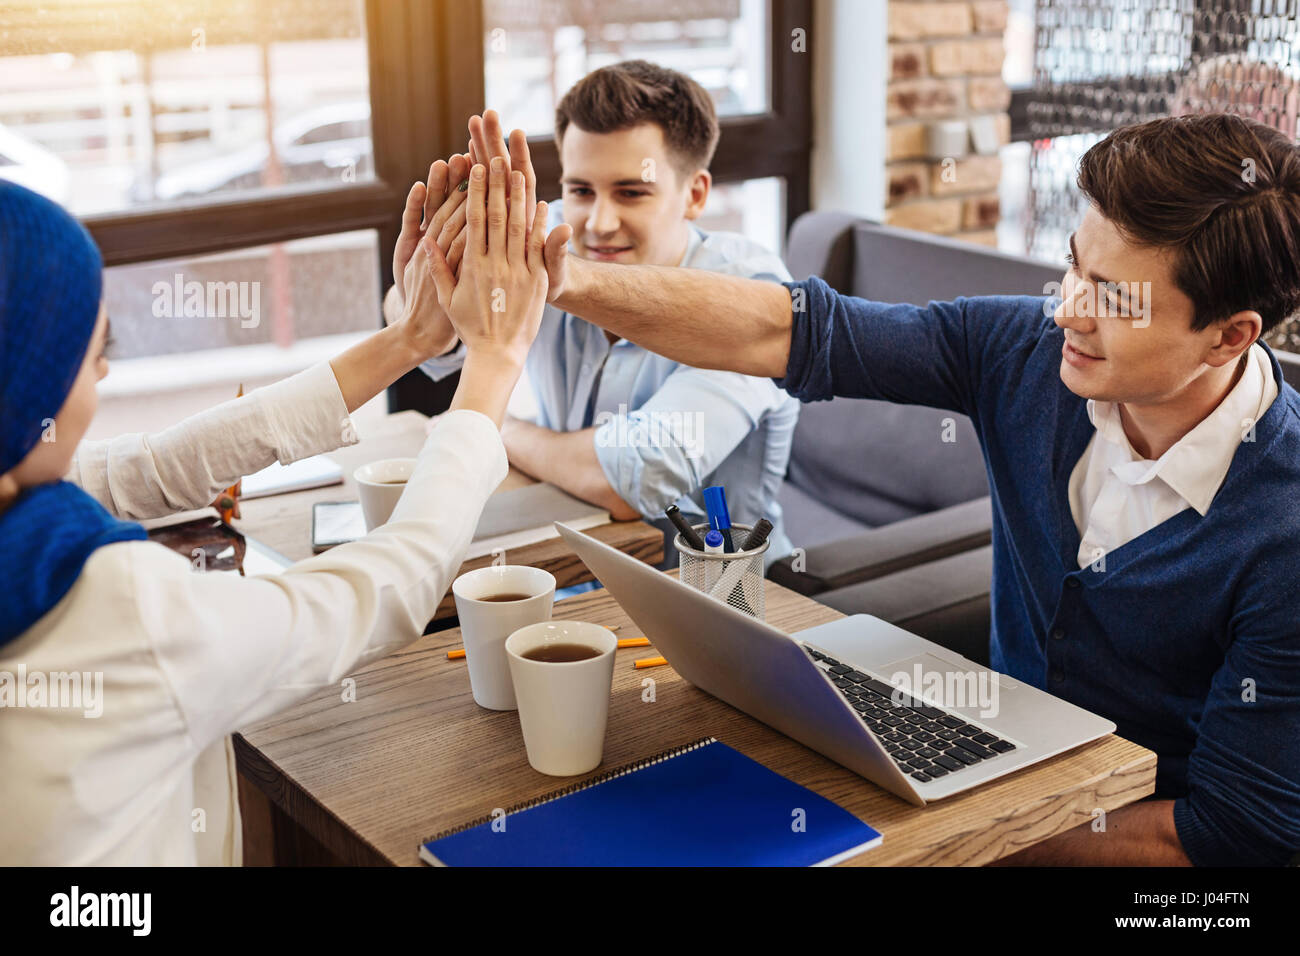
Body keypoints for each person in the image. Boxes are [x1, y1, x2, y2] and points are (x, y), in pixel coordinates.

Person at [431, 111, 1300, 866]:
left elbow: (1219, 839)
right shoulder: (1027, 354)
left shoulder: (1284, 529)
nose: (1067, 308)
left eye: (1113, 296)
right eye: (1073, 267)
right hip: (986, 777)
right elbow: (788, 328)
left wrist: (950, 828)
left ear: (1229, 337)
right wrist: (561, 282)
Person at [0, 158, 549, 864]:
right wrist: (495, 364)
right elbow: (380, 589)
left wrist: (407, 341)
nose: (104, 370)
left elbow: (161, 467)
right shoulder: (111, 608)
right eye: (93, 348)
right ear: (27, 379)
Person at [384, 63, 800, 566]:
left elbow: (631, 480)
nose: (598, 224)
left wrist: (494, 428)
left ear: (694, 194)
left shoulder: (750, 288)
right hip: (587, 557)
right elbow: (435, 349)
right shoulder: (555, 236)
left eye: (631, 192)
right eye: (581, 190)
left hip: (728, 594)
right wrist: (430, 281)